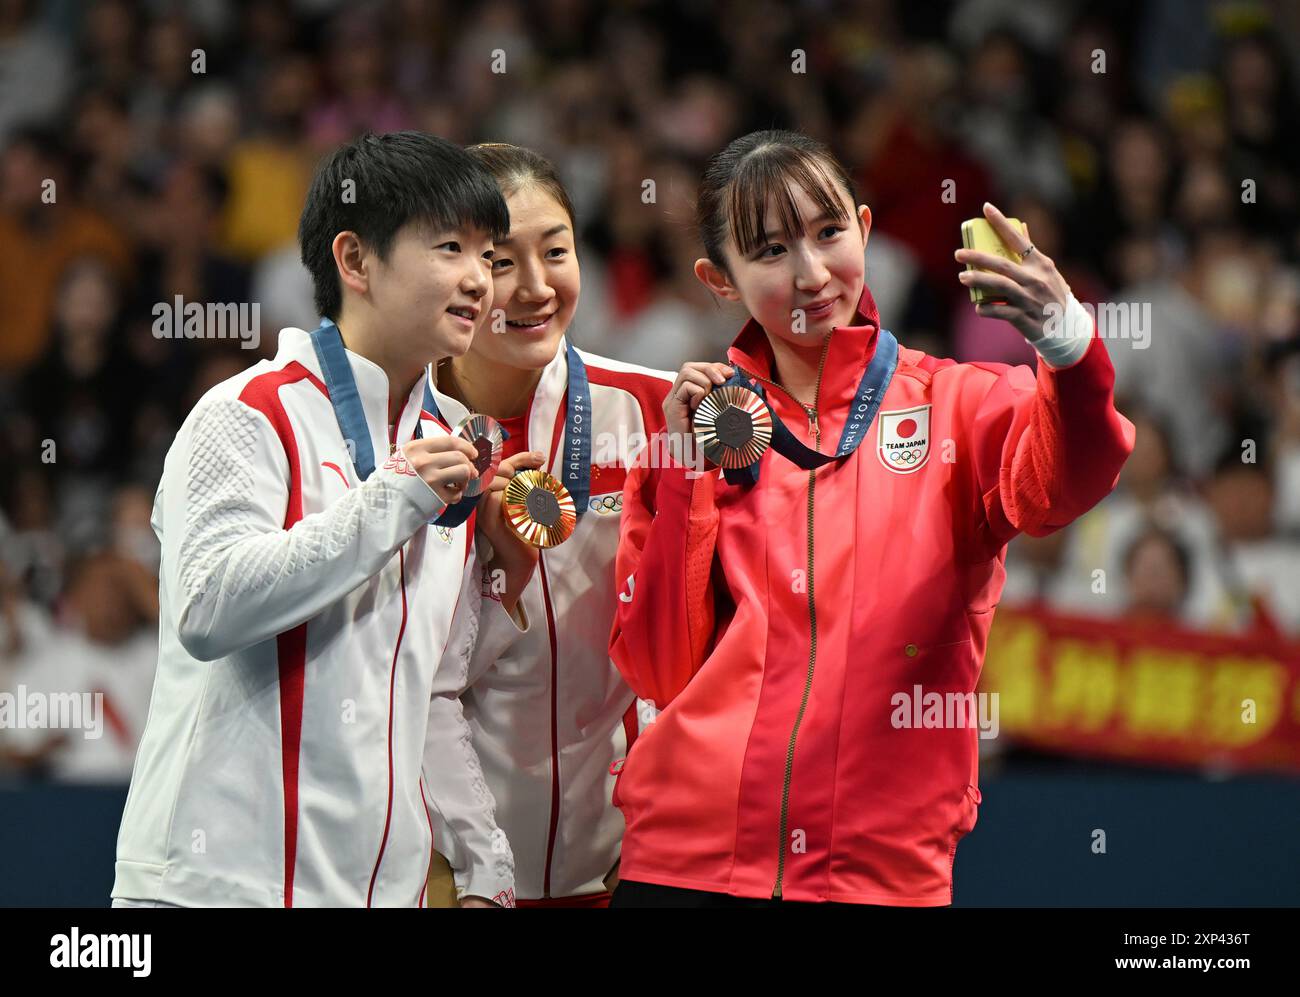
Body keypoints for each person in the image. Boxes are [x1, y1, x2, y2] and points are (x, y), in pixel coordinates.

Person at [608, 129, 1135, 907]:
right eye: (771, 251)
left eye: (828, 233)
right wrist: (686, 472)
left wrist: (1069, 348)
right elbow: (656, 666)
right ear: (718, 279)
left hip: (876, 877)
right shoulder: (698, 430)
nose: (812, 273)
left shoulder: (960, 404)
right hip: (687, 866)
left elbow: (1069, 482)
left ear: (864, 225)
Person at [111, 132, 544, 908]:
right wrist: (394, 496)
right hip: (216, 889)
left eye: (489, 255)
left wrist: (483, 860)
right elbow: (207, 606)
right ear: (355, 260)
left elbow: (432, 688)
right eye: (451, 247)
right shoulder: (247, 413)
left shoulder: (452, 442)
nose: (482, 279)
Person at [423, 144, 673, 907]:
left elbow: (713, 638)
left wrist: (675, 829)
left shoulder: (661, 413)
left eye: (556, 251)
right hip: (444, 881)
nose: (535, 287)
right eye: (501, 261)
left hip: (629, 867)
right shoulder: (397, 443)